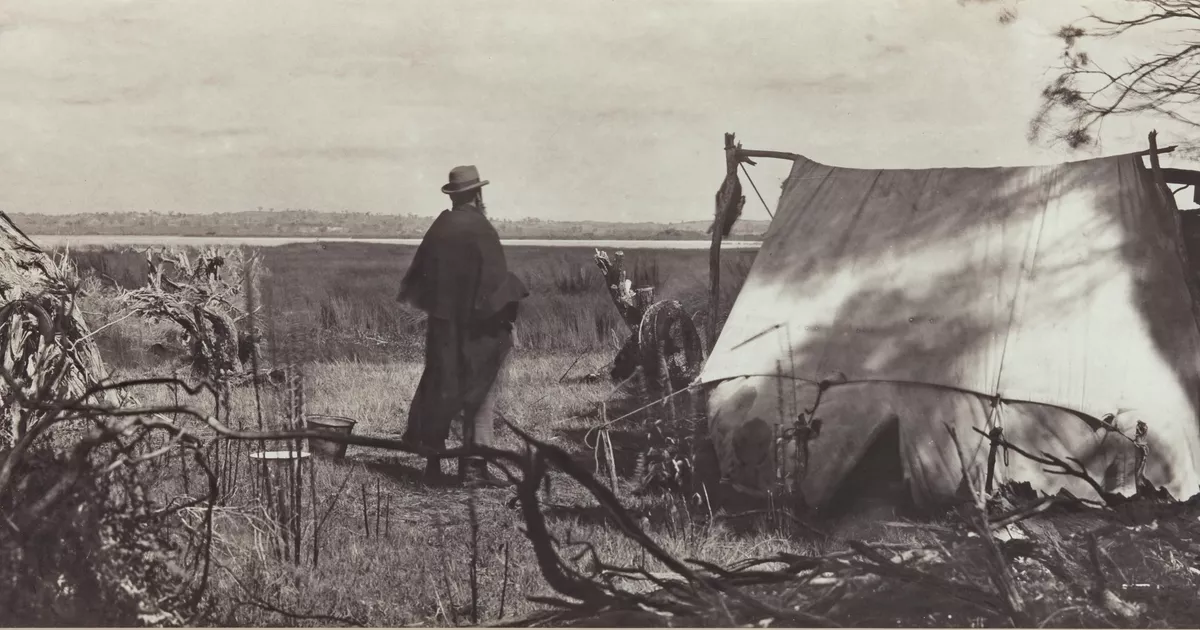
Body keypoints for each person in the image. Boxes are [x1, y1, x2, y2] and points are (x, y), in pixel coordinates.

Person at [397, 165, 528, 487]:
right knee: (480, 390)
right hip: (476, 329)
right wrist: (508, 311)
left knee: (439, 386)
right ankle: (473, 469)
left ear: (453, 196)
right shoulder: (481, 228)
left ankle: (432, 466)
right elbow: (495, 285)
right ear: (477, 194)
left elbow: (421, 279)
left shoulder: (439, 227)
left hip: (443, 328)